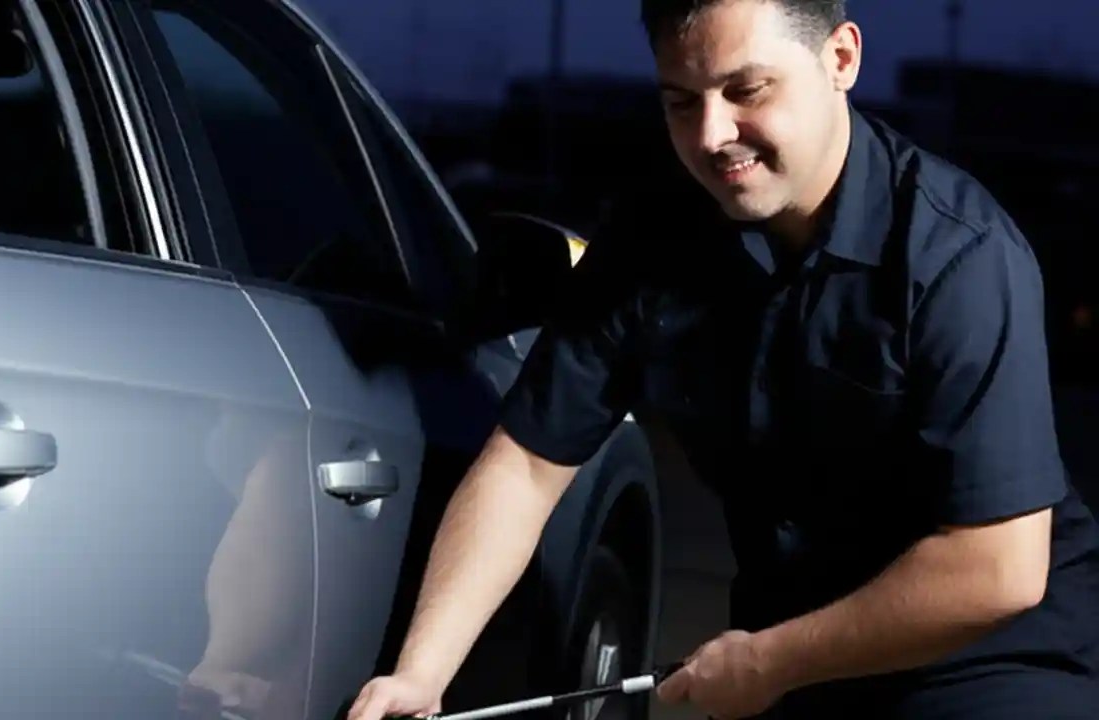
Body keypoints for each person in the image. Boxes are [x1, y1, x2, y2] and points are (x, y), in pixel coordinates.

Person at [347, 1, 1099, 718]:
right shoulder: (653, 236)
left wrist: (772, 661)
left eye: (747, 90)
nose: (711, 135)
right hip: (785, 656)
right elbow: (526, 464)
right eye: (681, 101)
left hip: (990, 663)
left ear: (840, 59)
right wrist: (420, 672)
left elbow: (997, 568)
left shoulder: (960, 256)